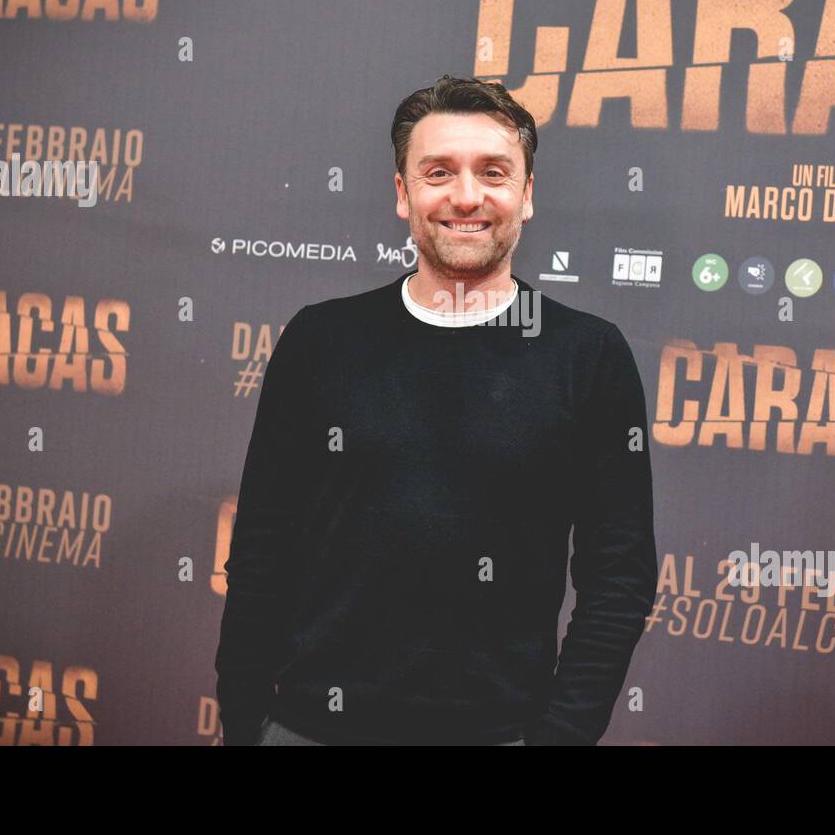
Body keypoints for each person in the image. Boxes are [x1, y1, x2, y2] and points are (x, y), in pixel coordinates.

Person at [215, 74, 657, 746]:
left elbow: (618, 577)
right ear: (403, 193)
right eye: (439, 172)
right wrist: (247, 722)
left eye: (494, 172)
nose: (467, 196)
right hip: (307, 728)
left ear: (527, 194)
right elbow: (260, 548)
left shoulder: (587, 355)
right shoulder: (322, 339)